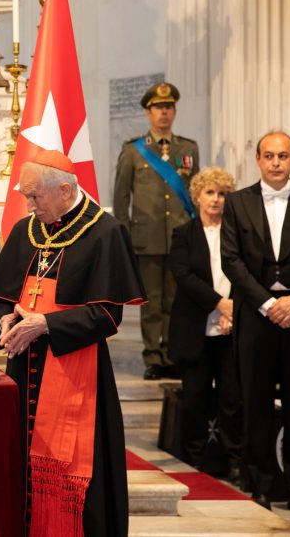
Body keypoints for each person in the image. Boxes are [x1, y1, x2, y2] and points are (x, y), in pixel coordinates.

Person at [0, 149, 144, 537]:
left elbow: (109, 315)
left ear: (63, 189)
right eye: (26, 195)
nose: (29, 205)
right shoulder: (26, 231)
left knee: (77, 474)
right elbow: (0, 299)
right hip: (23, 367)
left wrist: (46, 324)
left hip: (78, 371)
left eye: (35, 196)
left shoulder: (105, 232)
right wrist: (4, 320)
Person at [221, 131, 290, 516]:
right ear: (258, 160)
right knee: (257, 402)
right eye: (269, 155)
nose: (276, 162)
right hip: (256, 317)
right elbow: (231, 261)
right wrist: (268, 303)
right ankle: (259, 485)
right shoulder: (237, 202)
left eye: (283, 155)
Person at [113, 81, 200, 380]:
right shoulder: (134, 151)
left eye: (168, 107)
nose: (163, 113)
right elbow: (121, 198)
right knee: (151, 301)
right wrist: (124, 238)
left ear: (174, 111)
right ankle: (153, 357)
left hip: (180, 236)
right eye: (158, 108)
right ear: (148, 113)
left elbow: (196, 194)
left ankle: (174, 355)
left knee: (177, 301)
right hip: (146, 239)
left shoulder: (188, 149)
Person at [166, 167, 242, 484]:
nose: (215, 199)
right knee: (195, 398)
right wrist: (219, 304)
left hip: (233, 327)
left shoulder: (240, 232)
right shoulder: (183, 234)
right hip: (196, 326)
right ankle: (194, 460)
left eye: (222, 193)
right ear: (197, 196)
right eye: (209, 192)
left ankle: (235, 461)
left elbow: (246, 273)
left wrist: (233, 309)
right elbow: (184, 277)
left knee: (232, 399)